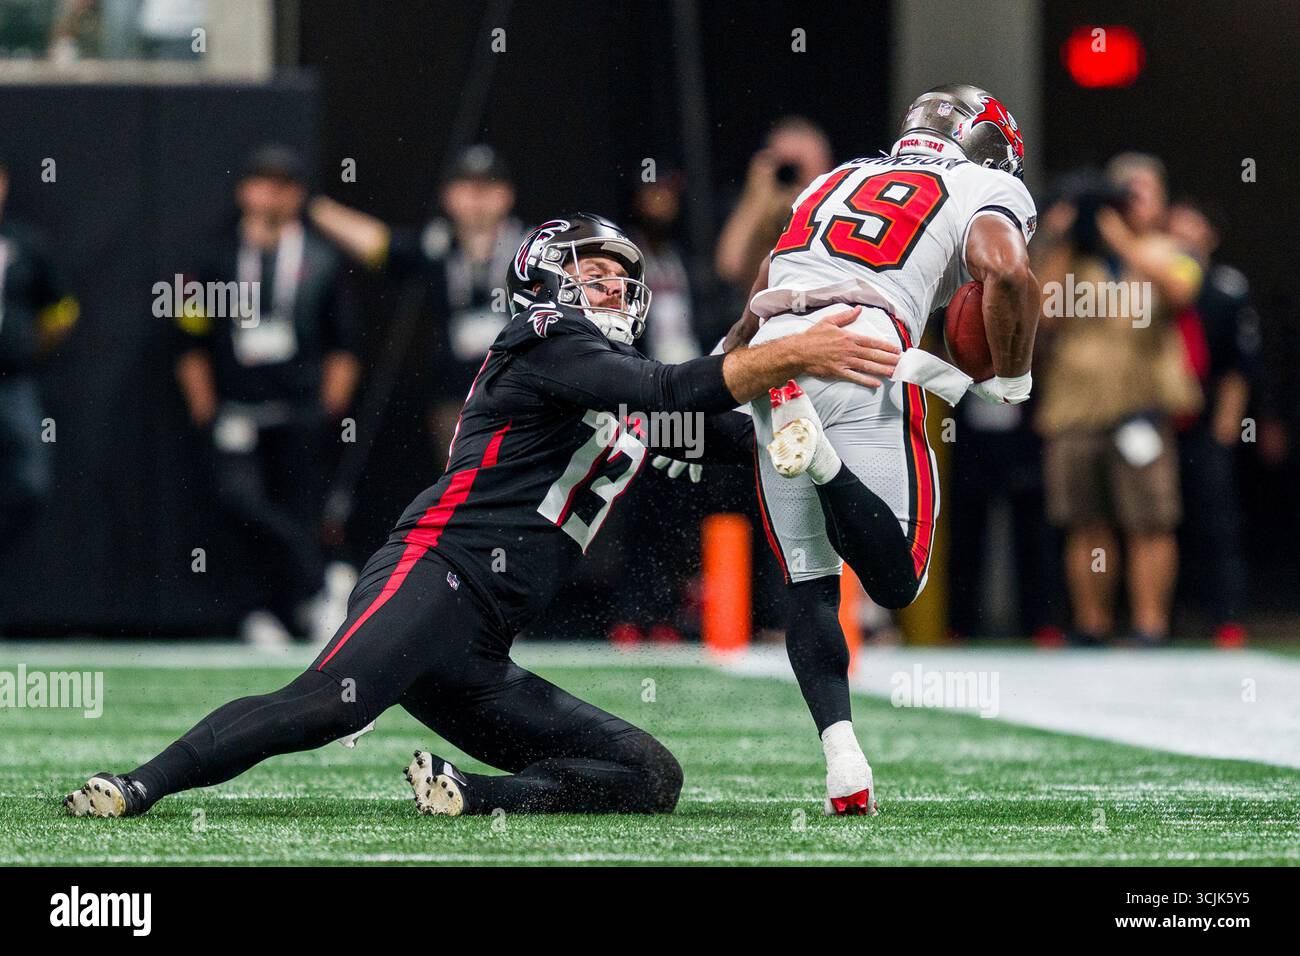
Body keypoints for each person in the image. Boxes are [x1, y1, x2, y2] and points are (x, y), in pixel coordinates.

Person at [64, 213, 901, 820]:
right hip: (435, 574)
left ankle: (468, 795)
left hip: (478, 642)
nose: (613, 286)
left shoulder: (613, 378)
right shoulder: (543, 340)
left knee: (648, 774)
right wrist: (788, 351)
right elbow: (670, 388)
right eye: (593, 272)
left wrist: (824, 401)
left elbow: (724, 425)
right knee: (330, 703)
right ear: (545, 279)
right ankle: (139, 785)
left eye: (620, 274)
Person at [722, 84, 1041, 815]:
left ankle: (844, 763)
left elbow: (767, 282)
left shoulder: (836, 177)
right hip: (860, 346)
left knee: (809, 584)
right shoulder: (980, 183)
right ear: (988, 147)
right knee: (897, 581)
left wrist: (728, 367)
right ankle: (828, 460)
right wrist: (1015, 377)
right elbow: (1009, 272)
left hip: (774, 354)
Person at [173, 145, 361, 646]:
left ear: (298, 195)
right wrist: (204, 409)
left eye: (282, 186)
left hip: (298, 408)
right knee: (239, 501)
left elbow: (344, 344)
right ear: (243, 191)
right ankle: (304, 588)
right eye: (261, 183)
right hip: (237, 408)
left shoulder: (322, 259)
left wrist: (327, 410)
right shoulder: (214, 258)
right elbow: (188, 339)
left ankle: (305, 602)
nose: (270, 195)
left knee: (304, 507)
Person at [1033, 154, 1203, 647]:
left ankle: (1151, 624)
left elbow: (1180, 289)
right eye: (1120, 191)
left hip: (1142, 409)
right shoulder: (1074, 258)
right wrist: (1064, 236)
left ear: (1161, 200)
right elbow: (1044, 313)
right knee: (1084, 521)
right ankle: (1092, 623)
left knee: (1150, 520)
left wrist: (1119, 239)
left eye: (1140, 191)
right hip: (1075, 409)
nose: (1129, 201)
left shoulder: (1171, 249)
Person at [309, 144, 526, 466]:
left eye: (489, 187)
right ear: (448, 195)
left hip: (524, 400)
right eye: (466, 187)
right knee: (465, 490)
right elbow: (377, 243)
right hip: (456, 401)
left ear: (507, 195)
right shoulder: (435, 247)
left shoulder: (534, 248)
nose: (477, 198)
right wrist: (316, 207)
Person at [1167, 198, 1261, 647]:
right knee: (1159, 521)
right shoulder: (1149, 281)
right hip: (1158, 420)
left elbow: (1240, 367)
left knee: (1216, 520)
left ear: (1210, 236)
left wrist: (1226, 429)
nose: (1182, 236)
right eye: (1175, 228)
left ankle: (1226, 618)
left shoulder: (1226, 287)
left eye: (1192, 228)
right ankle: (1161, 619)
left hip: (1206, 423)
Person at [0, 155, 79, 626]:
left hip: (12, 380)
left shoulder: (25, 243)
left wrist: (28, 346)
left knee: (29, 483)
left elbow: (62, 310)